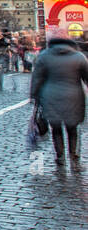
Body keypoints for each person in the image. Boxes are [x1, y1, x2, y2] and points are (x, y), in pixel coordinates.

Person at [30, 27, 88, 166]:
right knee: (72, 127)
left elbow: (37, 78)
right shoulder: (79, 57)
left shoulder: (44, 56)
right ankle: (74, 154)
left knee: (56, 128)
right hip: (74, 96)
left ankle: (60, 156)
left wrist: (34, 96)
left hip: (50, 96)